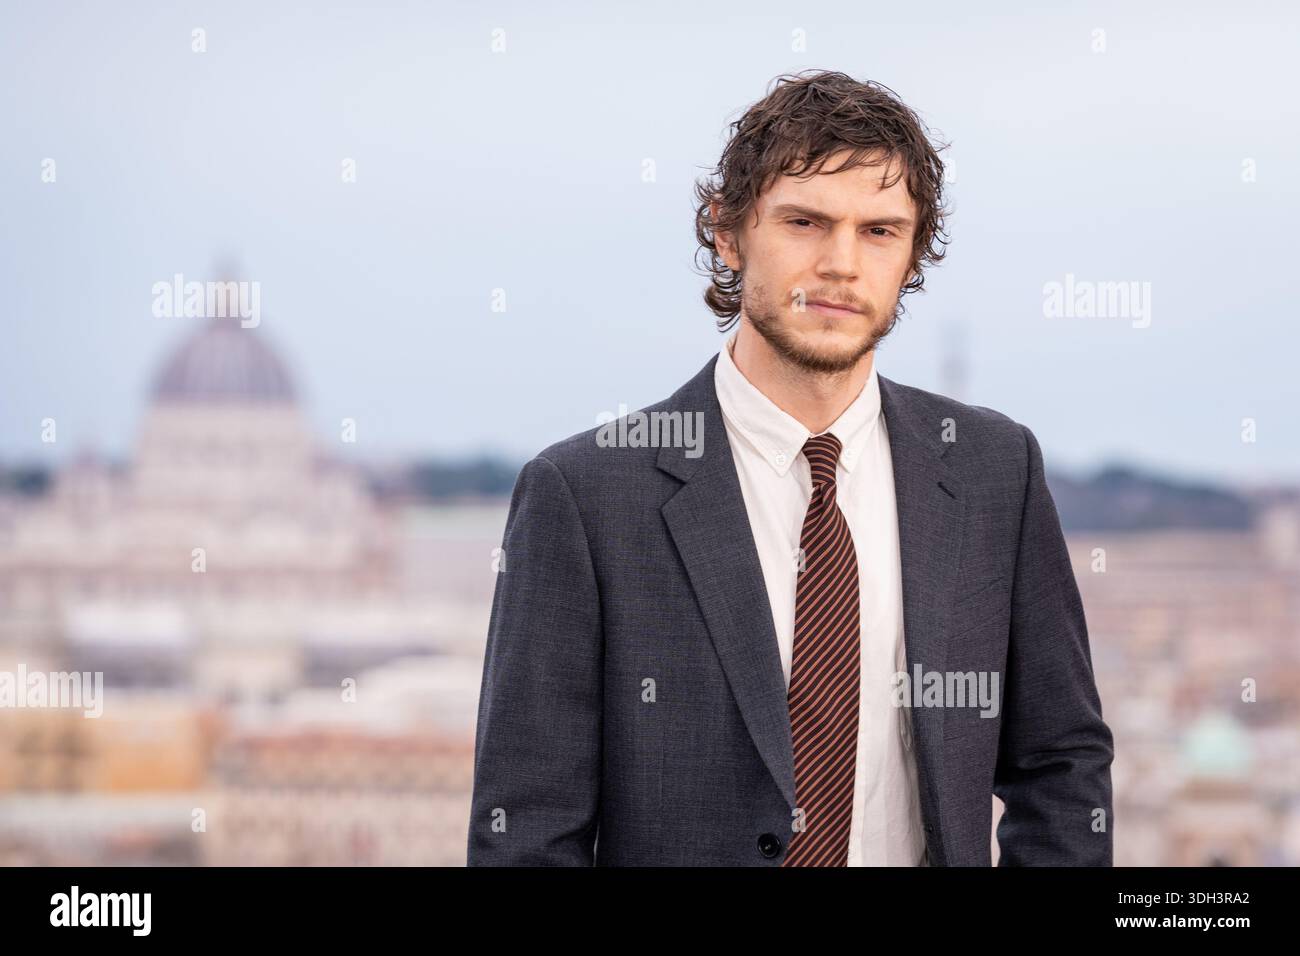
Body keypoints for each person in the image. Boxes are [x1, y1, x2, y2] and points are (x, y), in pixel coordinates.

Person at [467, 70, 1114, 866]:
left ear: (913, 255)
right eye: (805, 221)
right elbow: (527, 831)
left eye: (879, 231)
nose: (842, 264)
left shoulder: (994, 470)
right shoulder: (585, 495)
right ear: (727, 233)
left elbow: (1061, 763)